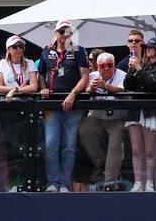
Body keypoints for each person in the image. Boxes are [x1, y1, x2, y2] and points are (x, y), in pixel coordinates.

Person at [37, 20, 89, 192]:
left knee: (68, 146)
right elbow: (41, 74)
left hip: (72, 105)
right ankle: (53, 182)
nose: (65, 35)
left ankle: (65, 184)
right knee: (51, 144)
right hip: (51, 105)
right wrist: (43, 88)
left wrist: (73, 94)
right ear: (56, 33)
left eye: (68, 31)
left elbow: (85, 76)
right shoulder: (47, 51)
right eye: (61, 31)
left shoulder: (78, 50)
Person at [123, 36, 156, 192]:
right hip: (136, 110)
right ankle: (138, 182)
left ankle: (149, 181)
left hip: (151, 110)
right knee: (136, 150)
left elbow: (155, 85)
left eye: (150, 47)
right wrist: (131, 70)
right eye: (147, 47)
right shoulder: (139, 64)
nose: (147, 49)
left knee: (149, 151)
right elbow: (127, 86)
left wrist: (138, 69)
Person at [78, 51, 127, 191]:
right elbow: (82, 89)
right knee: (84, 129)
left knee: (116, 143)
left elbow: (123, 90)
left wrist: (106, 86)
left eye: (109, 65)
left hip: (116, 116)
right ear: (97, 66)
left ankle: (110, 181)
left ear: (114, 65)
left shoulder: (122, 75)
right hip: (97, 115)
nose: (106, 68)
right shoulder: (92, 76)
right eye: (102, 66)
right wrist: (90, 89)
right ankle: (100, 164)